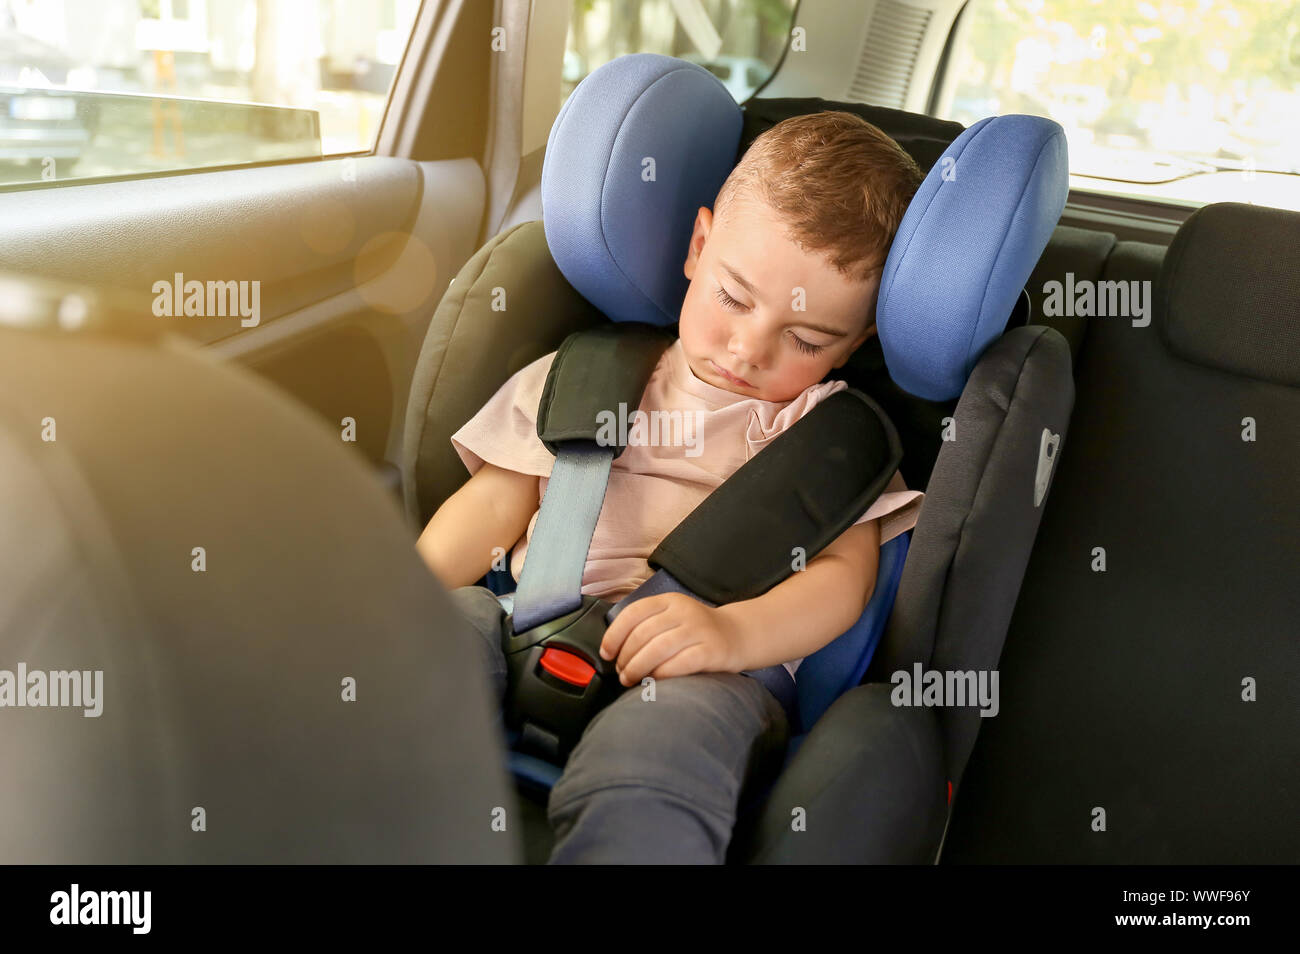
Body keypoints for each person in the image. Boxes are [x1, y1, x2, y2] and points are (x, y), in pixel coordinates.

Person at [417, 111, 926, 863]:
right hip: (522, 618)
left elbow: (841, 583)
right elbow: (496, 502)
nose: (747, 349)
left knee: (657, 766)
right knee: (432, 639)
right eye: (733, 298)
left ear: (856, 343)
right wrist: (404, 597)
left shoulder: (831, 441)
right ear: (697, 247)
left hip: (707, 674)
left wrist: (733, 635)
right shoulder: (586, 375)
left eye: (805, 338)